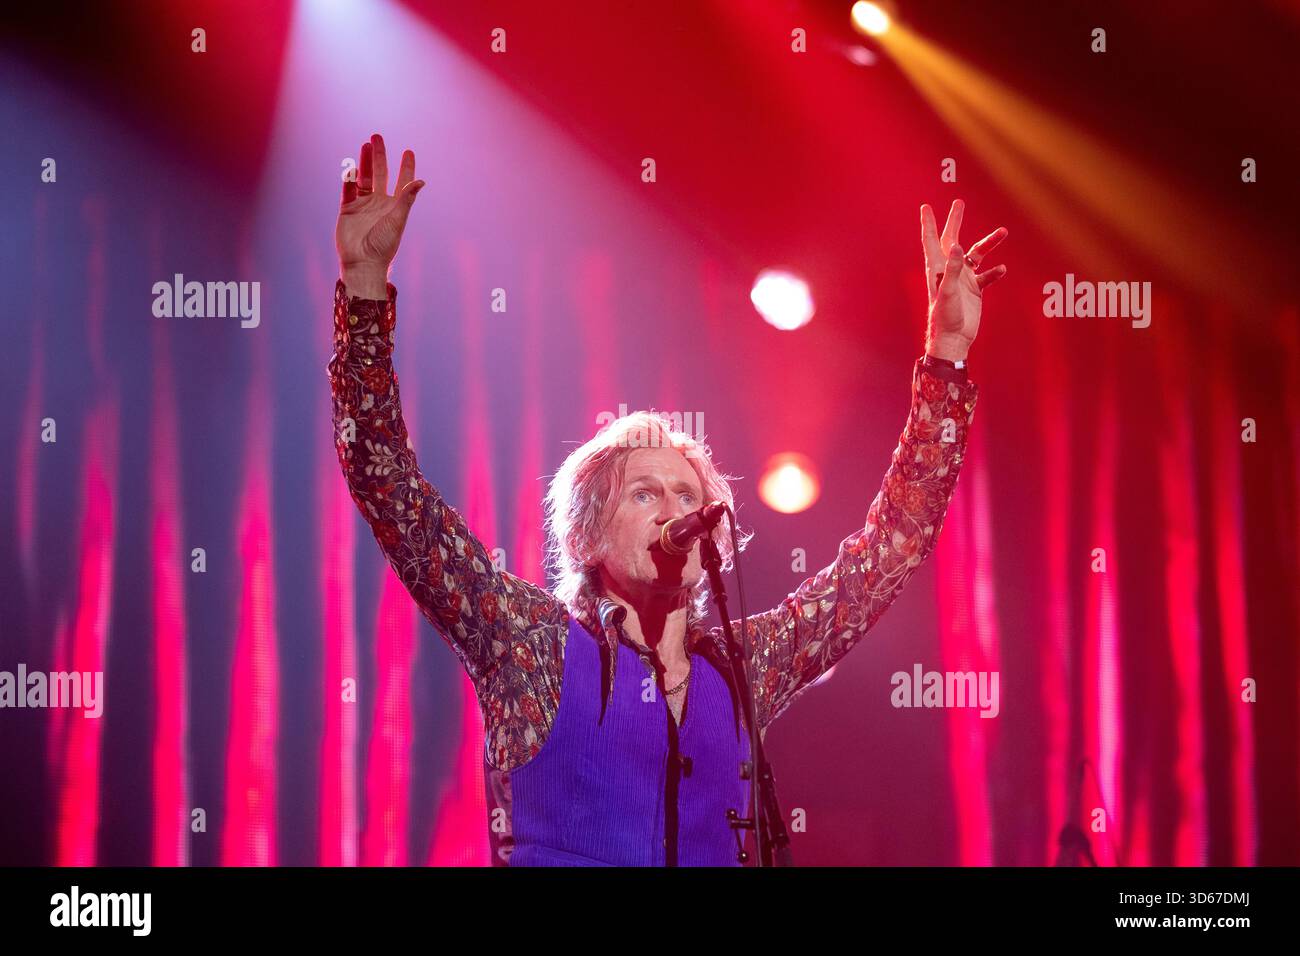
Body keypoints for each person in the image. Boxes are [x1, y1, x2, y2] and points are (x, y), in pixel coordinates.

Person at [326, 133, 1008, 866]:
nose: (673, 509)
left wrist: (945, 357)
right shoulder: (531, 646)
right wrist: (365, 288)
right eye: (644, 492)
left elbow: (886, 555)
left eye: (687, 493)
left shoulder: (744, 669)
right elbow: (387, 482)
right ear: (586, 538)